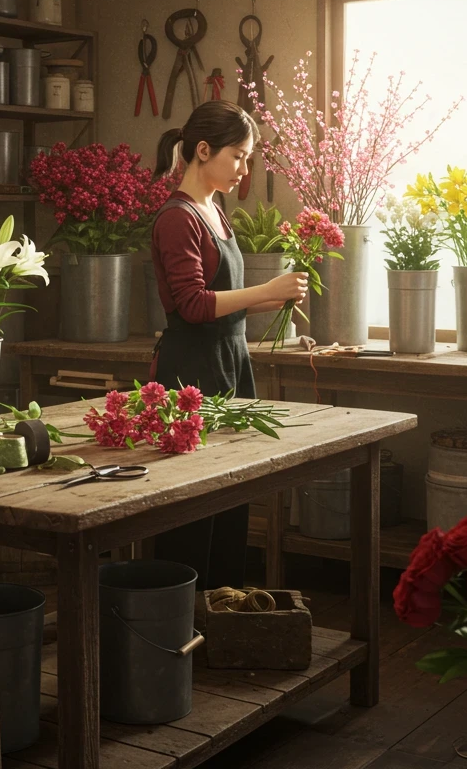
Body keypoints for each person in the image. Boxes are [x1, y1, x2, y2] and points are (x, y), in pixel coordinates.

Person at [148, 100, 308, 589]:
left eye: (246, 157)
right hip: (190, 373)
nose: (244, 168)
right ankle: (177, 618)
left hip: (229, 364)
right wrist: (267, 290)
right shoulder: (177, 218)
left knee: (232, 495)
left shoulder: (215, 211)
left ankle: (224, 612)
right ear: (202, 150)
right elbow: (194, 305)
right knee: (191, 506)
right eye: (238, 156)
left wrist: (276, 304)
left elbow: (224, 304)